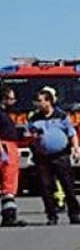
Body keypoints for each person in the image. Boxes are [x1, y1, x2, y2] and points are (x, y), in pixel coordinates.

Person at [28, 88, 80, 225]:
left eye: (40, 101)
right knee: (45, 187)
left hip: (61, 156)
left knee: (67, 185)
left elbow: (72, 134)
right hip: (42, 157)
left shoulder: (61, 116)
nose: (38, 104)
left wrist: (76, 149)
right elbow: (27, 134)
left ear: (48, 101)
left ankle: (74, 214)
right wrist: (33, 137)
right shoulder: (34, 118)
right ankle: (51, 215)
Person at [0, 85, 26, 226]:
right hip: (5, 148)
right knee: (8, 183)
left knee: (8, 183)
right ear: (4, 99)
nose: (14, 101)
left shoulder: (5, 114)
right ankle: (9, 216)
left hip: (9, 147)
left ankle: (8, 215)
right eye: (11, 98)